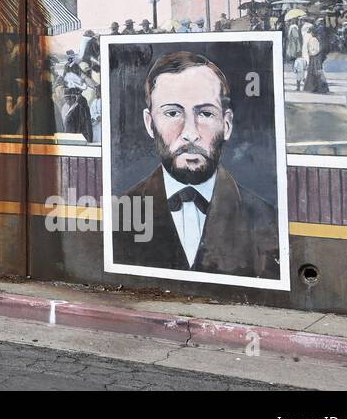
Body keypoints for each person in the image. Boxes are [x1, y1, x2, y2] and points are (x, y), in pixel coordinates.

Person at [110, 50, 279, 279]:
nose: (190, 134)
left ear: (226, 125)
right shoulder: (119, 215)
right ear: (150, 124)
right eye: (172, 113)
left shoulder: (268, 219)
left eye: (206, 114)